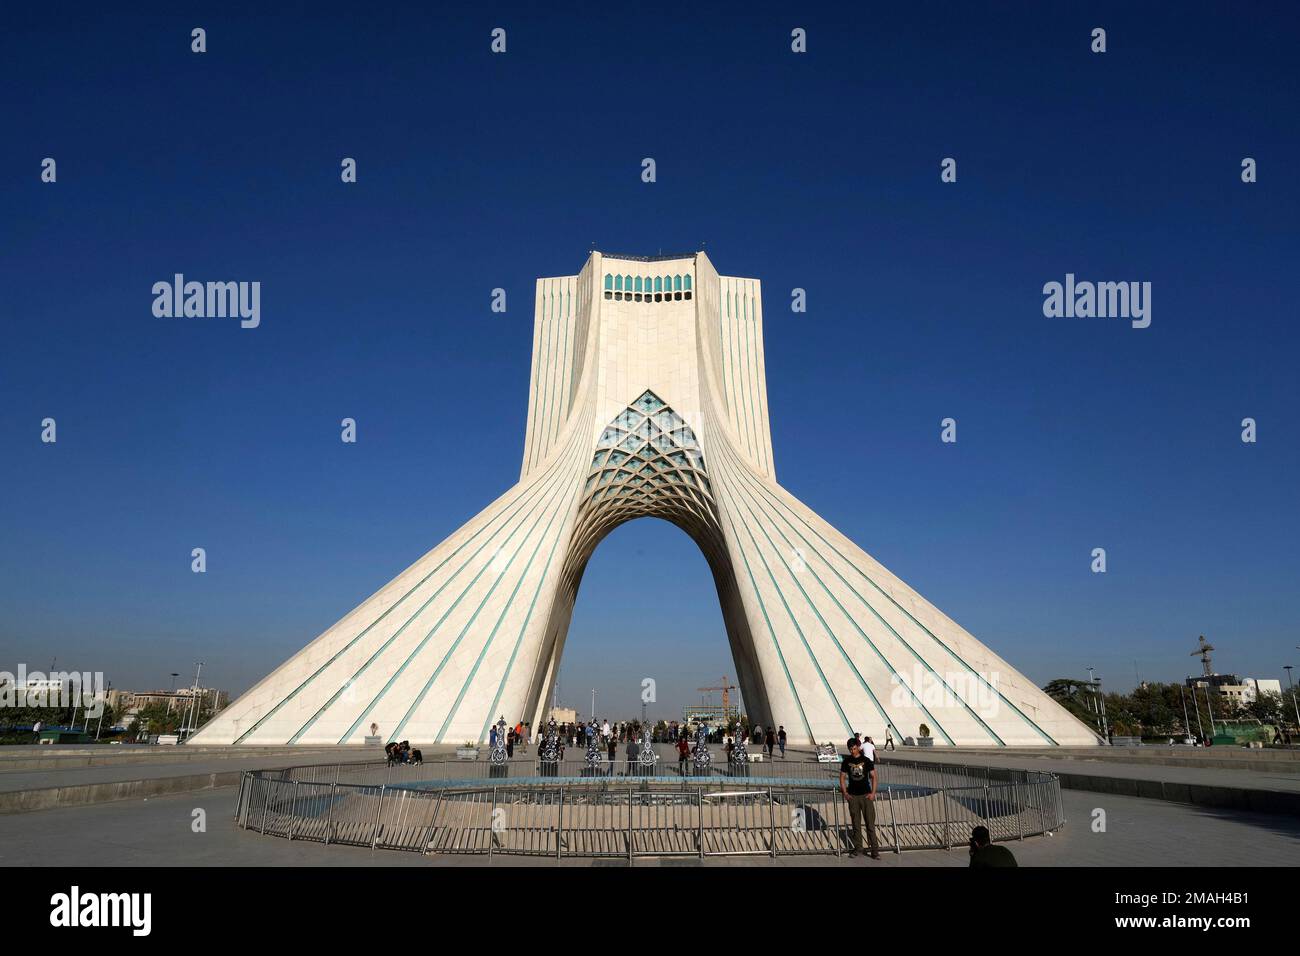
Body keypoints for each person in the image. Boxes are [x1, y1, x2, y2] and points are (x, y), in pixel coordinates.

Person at [839, 737, 880, 859]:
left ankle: (874, 850)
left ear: (858, 747)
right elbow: (842, 777)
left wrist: (873, 793)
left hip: (866, 796)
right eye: (850, 749)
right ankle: (858, 848)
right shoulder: (846, 762)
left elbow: (873, 777)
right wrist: (845, 793)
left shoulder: (866, 761)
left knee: (870, 825)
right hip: (853, 797)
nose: (853, 751)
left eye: (854, 748)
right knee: (856, 824)